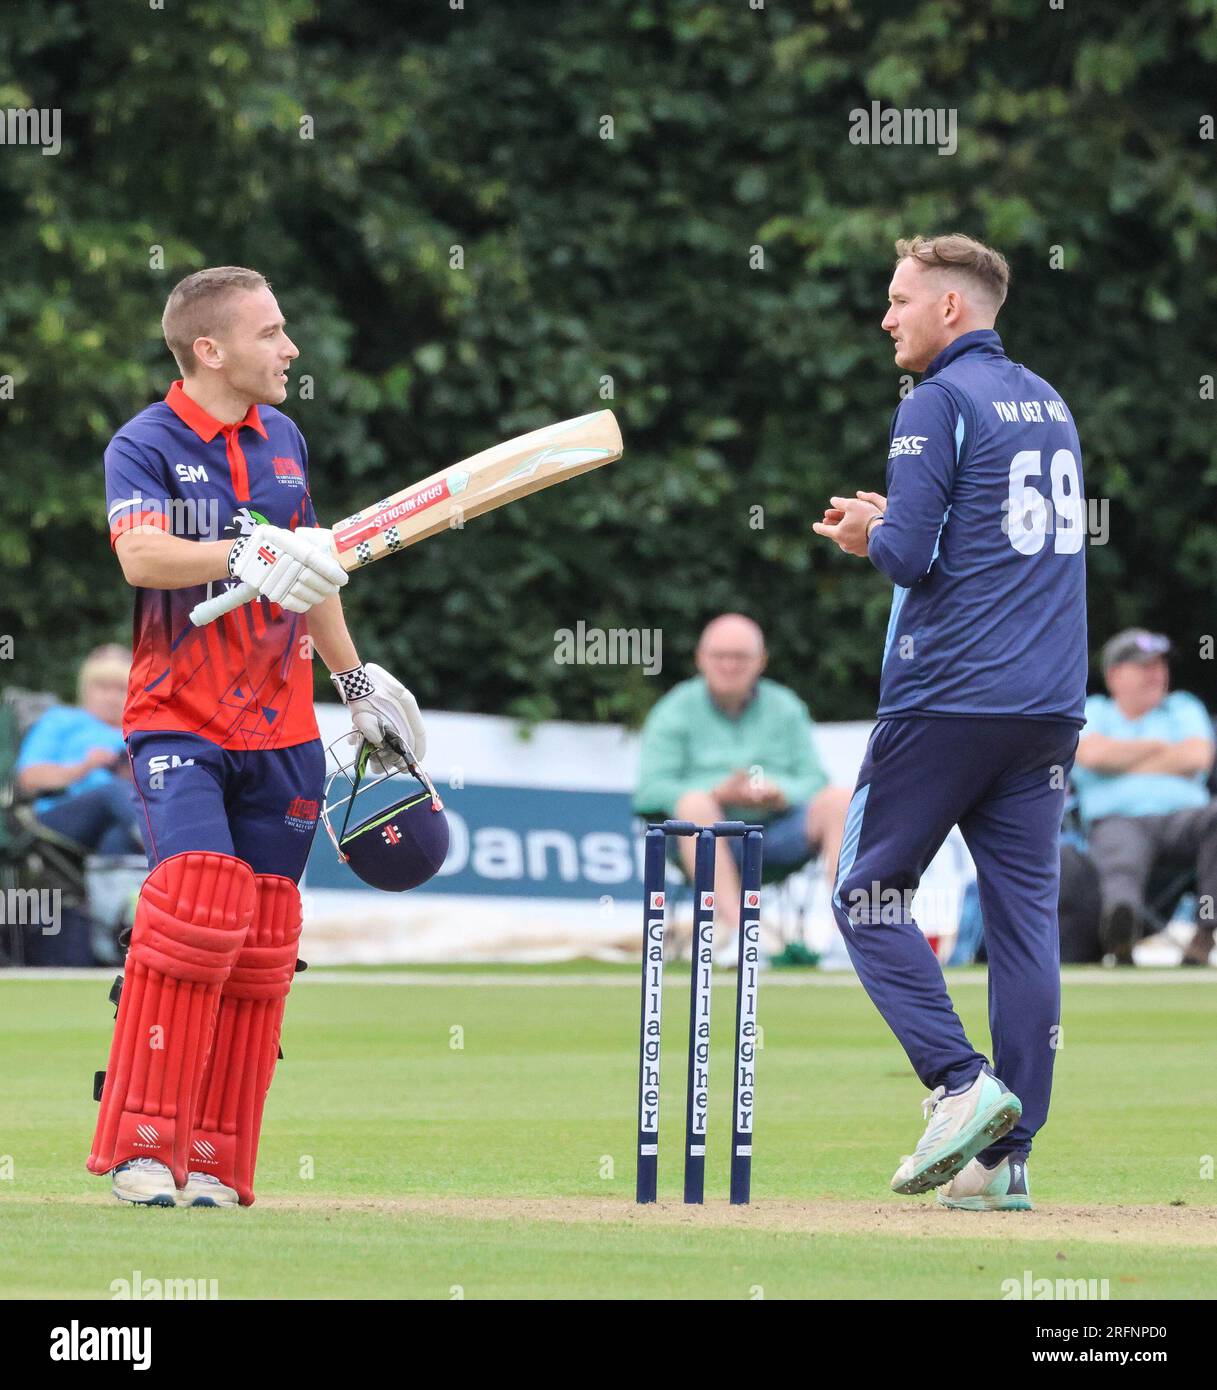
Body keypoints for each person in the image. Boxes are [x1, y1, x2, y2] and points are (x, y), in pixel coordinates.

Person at [90, 266, 428, 1210]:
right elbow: (140, 555)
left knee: (258, 944)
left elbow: (313, 567)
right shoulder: (145, 443)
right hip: (179, 718)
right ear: (211, 349)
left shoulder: (283, 439)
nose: (288, 350)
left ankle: (209, 1157)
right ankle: (141, 1147)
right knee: (196, 907)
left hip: (282, 725)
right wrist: (241, 552)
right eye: (271, 333)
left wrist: (354, 681)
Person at [812, 234, 1088, 1212]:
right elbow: (979, 537)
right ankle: (1005, 1161)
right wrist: (901, 523)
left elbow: (906, 556)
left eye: (898, 300)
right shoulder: (1046, 401)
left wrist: (866, 532)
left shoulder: (932, 401)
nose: (885, 317)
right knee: (1023, 928)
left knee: (866, 895)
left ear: (949, 310)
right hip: (1046, 705)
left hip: (950, 697)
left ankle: (957, 1082)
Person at [632, 613, 850, 940]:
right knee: (694, 805)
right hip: (701, 840)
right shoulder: (673, 710)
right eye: (720, 656)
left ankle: (847, 936)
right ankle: (739, 936)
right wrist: (716, 794)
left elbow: (815, 780)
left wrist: (780, 792)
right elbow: (649, 791)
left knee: (840, 800)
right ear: (701, 659)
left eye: (740, 657)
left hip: (776, 834)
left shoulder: (786, 707)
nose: (729, 665)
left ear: (761, 661)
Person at [1072, 629, 1215, 965]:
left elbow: (1197, 757)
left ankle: (1206, 932)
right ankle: (1122, 930)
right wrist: (1159, 748)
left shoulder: (1183, 706)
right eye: (1145, 667)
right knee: (1121, 854)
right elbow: (1091, 755)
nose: (1157, 674)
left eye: (1160, 666)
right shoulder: (1095, 709)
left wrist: (1120, 760)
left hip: (1186, 820)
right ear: (1115, 675)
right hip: (1118, 821)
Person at [15, 644, 142, 856]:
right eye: (102, 687)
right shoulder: (60, 719)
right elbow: (29, 778)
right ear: (86, 688)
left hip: (120, 820)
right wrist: (84, 767)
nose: (111, 697)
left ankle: (120, 888)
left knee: (119, 834)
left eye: (120, 688)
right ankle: (161, 842)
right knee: (113, 791)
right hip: (59, 817)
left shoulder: (139, 732)